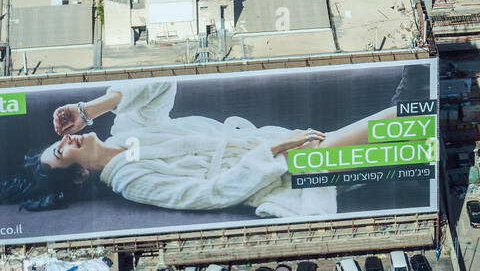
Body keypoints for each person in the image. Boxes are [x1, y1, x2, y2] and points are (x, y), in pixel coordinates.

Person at [1, 78, 403, 221]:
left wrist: (89, 109)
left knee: (408, 142)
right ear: (80, 173)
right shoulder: (130, 179)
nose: (66, 140)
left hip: (279, 145)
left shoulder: (128, 130)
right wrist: (272, 153)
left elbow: (159, 84)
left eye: (59, 140)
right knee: (405, 119)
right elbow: (208, 195)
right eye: (61, 152)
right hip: (283, 174)